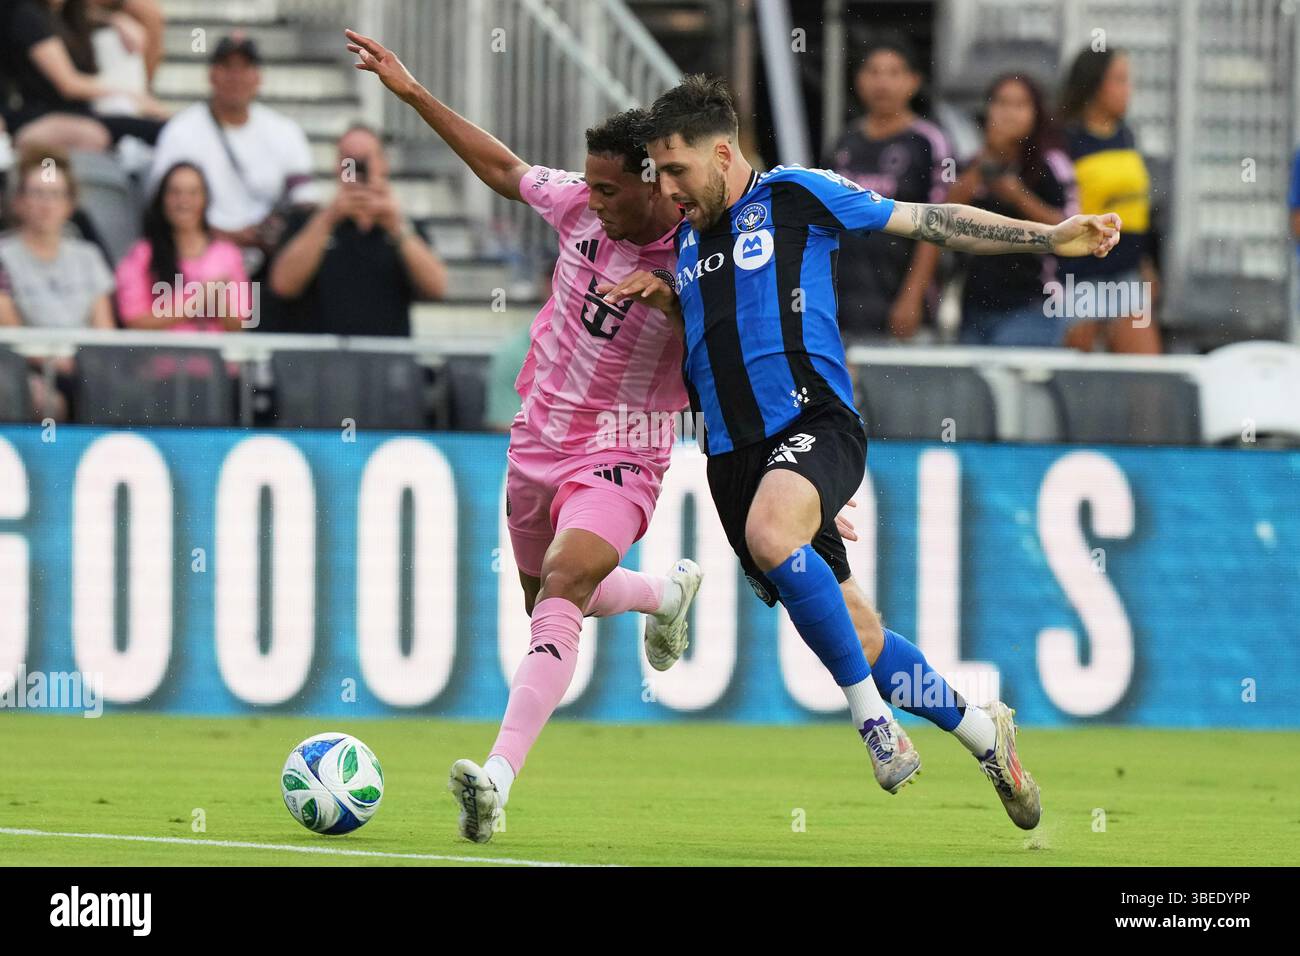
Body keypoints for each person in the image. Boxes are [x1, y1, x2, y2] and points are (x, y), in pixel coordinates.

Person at [603, 75, 1121, 826]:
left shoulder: (796, 195)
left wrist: (1044, 235)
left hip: (817, 419)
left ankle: (873, 722)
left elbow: (930, 220)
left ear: (722, 152)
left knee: (773, 535)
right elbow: (714, 352)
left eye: (677, 169)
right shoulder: (685, 243)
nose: (669, 188)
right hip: (733, 459)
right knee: (860, 628)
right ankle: (985, 734)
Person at [347, 29, 704, 844]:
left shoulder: (695, 248)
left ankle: (496, 781)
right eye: (590, 184)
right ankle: (662, 593)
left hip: (624, 443)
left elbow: (732, 332)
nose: (593, 199)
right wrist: (410, 94)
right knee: (546, 598)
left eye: (609, 189)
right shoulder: (580, 202)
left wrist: (678, 303)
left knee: (567, 581)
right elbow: (507, 169)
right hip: (538, 437)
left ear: (654, 183)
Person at [147, 33, 318, 266]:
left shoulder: (285, 131)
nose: (235, 76)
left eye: (245, 67)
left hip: (270, 261)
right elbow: (161, 206)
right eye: (227, 67)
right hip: (198, 259)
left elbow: (305, 200)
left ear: (257, 77)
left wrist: (278, 226)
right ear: (211, 75)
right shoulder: (181, 131)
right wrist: (226, 236)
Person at [824, 35, 952, 342]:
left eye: (894, 73)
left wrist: (911, 296)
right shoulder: (844, 143)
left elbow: (939, 224)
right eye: (873, 71)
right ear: (858, 79)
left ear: (913, 81)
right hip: (844, 305)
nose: (882, 82)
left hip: (901, 305)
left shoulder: (929, 142)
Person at [269, 124, 448, 335]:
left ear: (383, 164)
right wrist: (328, 219)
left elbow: (437, 288)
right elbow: (283, 285)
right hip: (322, 363)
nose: (357, 169)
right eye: (349, 161)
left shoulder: (404, 226)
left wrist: (396, 228)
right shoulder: (306, 221)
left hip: (386, 363)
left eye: (364, 160)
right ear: (337, 166)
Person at [946, 73, 1078, 346]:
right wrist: (987, 159)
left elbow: (1069, 228)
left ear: (1036, 113)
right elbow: (941, 219)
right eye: (1001, 104)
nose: (1009, 114)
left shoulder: (1051, 164)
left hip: (1033, 303)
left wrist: (1018, 196)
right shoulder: (971, 164)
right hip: (975, 304)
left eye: (1020, 105)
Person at [0, 147, 114, 419]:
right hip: (29, 369)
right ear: (18, 201)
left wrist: (88, 368)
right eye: (37, 193)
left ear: (70, 204)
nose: (46, 204)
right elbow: (14, 333)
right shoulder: (3, 257)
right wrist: (62, 365)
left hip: (87, 370)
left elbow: (105, 331)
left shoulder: (89, 256)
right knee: (41, 399)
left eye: (55, 195)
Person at [1058, 47, 1159, 353]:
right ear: (1094, 84)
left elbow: (1136, 208)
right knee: (1081, 382)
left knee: (1145, 376)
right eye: (1120, 80)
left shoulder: (1126, 135)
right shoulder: (1067, 140)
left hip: (1126, 274)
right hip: (1081, 277)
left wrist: (1146, 266)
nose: (1128, 90)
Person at [0, 0, 167, 153]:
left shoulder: (66, 13)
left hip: (80, 112)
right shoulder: (27, 16)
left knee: (159, 126)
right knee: (155, 130)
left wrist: (115, 20)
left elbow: (89, 14)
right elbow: (69, 85)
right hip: (43, 115)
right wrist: (130, 95)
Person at [115, 160, 252, 331]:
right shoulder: (142, 254)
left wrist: (220, 303)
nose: (184, 201)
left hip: (214, 355)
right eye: (175, 192)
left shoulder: (228, 254)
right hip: (160, 356)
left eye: (193, 193)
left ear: (205, 199)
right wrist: (197, 300)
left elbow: (240, 325)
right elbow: (134, 320)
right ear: (162, 199)